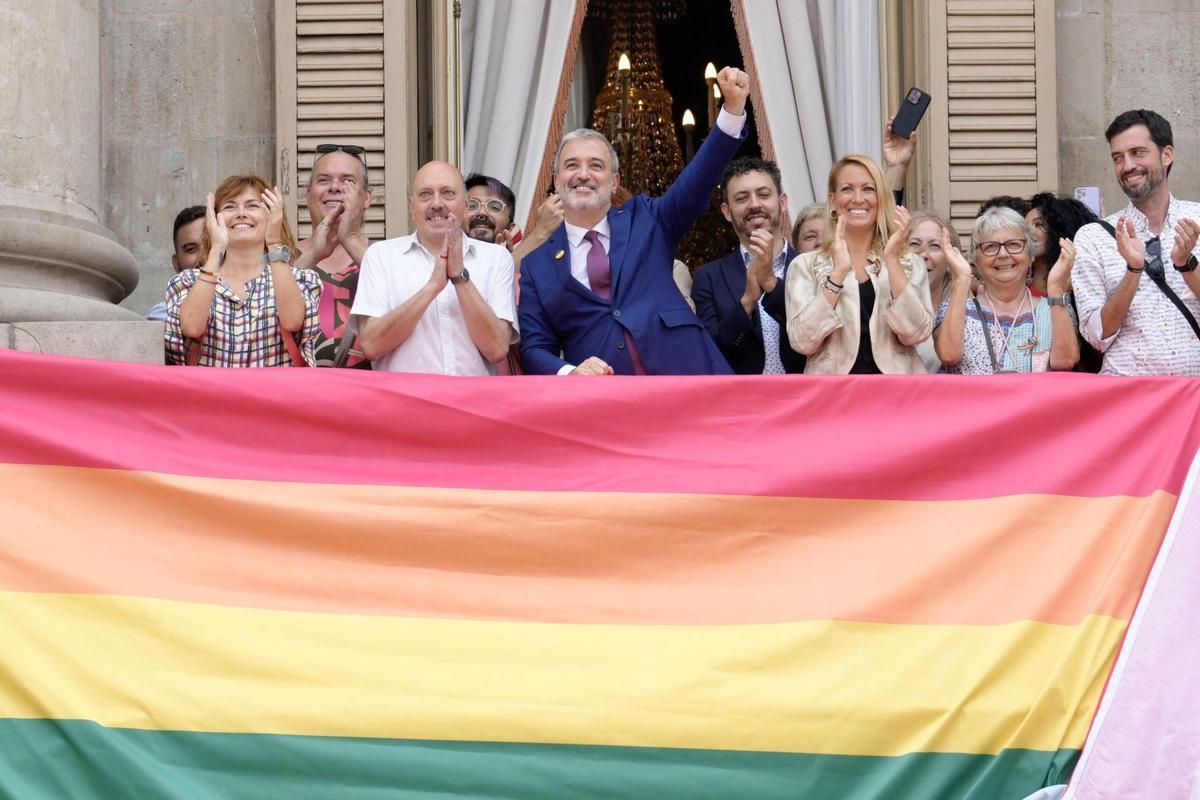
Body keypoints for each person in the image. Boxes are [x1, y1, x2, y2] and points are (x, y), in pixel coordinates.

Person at [517, 66, 751, 376]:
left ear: (614, 182)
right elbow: (534, 347)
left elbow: (698, 180)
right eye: (572, 165)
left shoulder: (646, 219)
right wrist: (569, 373)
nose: (583, 174)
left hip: (690, 380)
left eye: (595, 165)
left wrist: (732, 111)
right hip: (608, 406)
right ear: (557, 181)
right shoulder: (537, 265)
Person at [350, 160, 515, 375]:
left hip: (472, 404)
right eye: (425, 195)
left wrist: (459, 278)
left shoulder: (496, 259)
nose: (436, 204)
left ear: (466, 206)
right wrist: (431, 288)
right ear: (411, 206)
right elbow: (371, 346)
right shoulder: (381, 256)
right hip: (405, 404)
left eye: (447, 193)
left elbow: (497, 349)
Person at [778, 155, 933, 374]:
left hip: (898, 396)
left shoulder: (908, 261)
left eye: (868, 189)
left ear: (881, 198)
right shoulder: (805, 265)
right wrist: (837, 274)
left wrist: (892, 261)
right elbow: (802, 341)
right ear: (833, 200)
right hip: (833, 398)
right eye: (847, 189)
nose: (858, 198)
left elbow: (917, 332)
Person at [1073, 109, 1200, 376]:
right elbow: (1097, 336)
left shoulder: (1197, 220)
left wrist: (1187, 265)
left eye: (1137, 152)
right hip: (1129, 401)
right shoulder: (1093, 236)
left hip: (1193, 397)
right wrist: (1133, 271)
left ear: (1167, 155)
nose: (1127, 166)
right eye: (1118, 158)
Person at [164, 175, 321, 367]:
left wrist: (273, 241)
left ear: (271, 214)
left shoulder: (301, 278)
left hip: (276, 395)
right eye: (229, 206)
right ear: (214, 219)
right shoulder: (188, 281)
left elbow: (293, 322)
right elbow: (192, 328)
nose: (241, 213)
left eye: (252, 205)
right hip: (211, 395)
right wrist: (215, 250)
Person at [691, 156, 805, 374]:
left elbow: (819, 336)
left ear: (782, 202)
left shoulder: (812, 267)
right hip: (741, 402)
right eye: (742, 198)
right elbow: (707, 353)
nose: (754, 204)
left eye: (763, 195)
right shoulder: (709, 277)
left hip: (807, 399)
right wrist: (747, 302)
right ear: (727, 211)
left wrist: (772, 286)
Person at [934, 207, 1079, 374]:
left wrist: (1055, 288)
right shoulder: (956, 309)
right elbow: (948, 355)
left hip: (1038, 401)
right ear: (976, 260)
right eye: (990, 247)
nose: (1003, 254)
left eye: (1014, 245)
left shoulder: (1055, 307)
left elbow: (1065, 362)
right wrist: (962, 279)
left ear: (1031, 254)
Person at [298, 143, 374, 368]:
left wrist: (350, 240)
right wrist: (311, 256)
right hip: (296, 395)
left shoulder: (388, 258)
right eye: (323, 180)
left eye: (348, 181)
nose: (334, 187)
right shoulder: (281, 258)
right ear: (308, 195)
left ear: (367, 198)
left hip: (369, 394)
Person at [905, 210, 961, 373]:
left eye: (935, 246)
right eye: (914, 244)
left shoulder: (964, 313)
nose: (923, 254)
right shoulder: (880, 308)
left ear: (951, 260)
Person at [1026, 193, 1098, 297]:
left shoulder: (1081, 288)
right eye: (1024, 226)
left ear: (1060, 231)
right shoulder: (1016, 285)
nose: (1027, 231)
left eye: (1039, 224)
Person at [147, 205, 205, 322]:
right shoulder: (163, 314)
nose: (204, 257)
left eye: (211, 246)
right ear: (176, 263)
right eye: (191, 249)